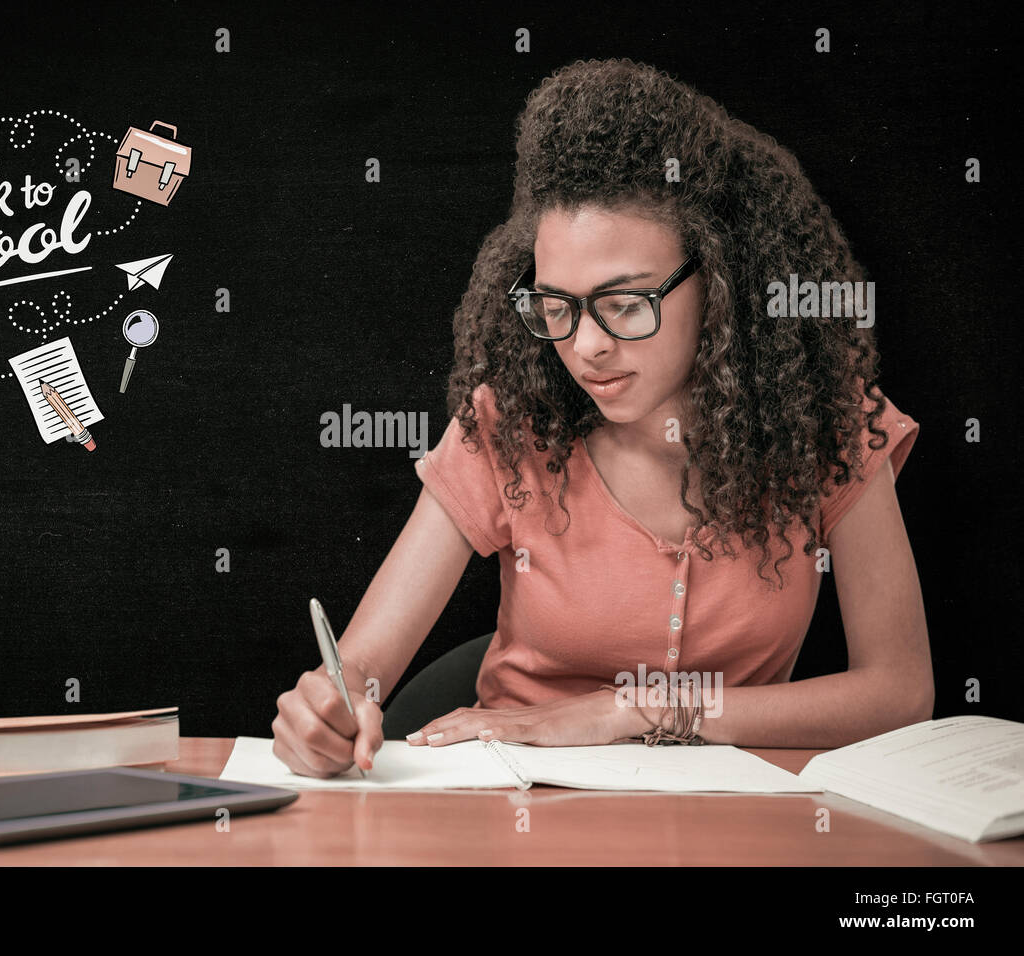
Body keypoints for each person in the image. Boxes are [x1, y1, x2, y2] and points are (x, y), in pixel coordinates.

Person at [272, 57, 931, 778]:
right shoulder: (509, 422)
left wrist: (635, 709)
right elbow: (361, 667)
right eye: (556, 306)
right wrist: (329, 709)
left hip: (727, 820)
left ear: (718, 282)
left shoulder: (829, 426)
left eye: (624, 303)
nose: (584, 346)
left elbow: (899, 693)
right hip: (513, 800)